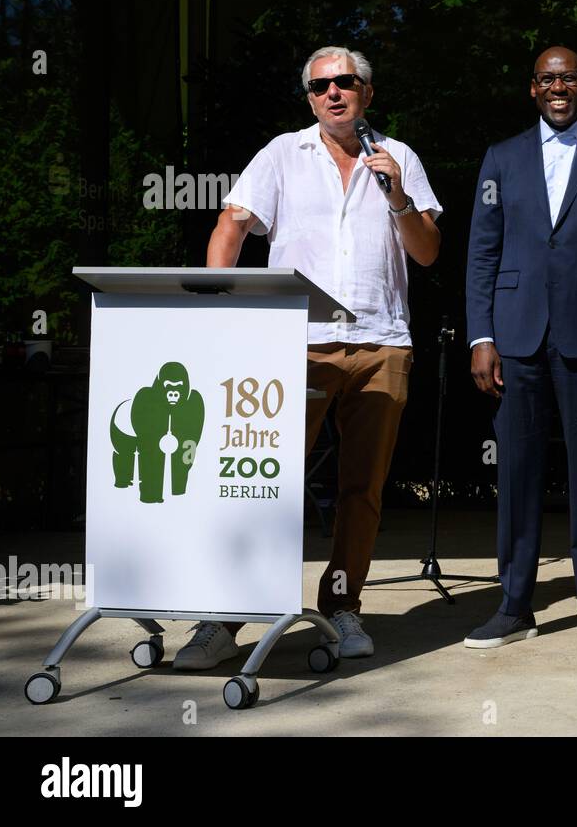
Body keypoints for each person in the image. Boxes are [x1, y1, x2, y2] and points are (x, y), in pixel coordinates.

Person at [181, 45, 442, 668]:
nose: (333, 93)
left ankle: (342, 607)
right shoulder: (282, 153)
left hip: (381, 343)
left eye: (345, 82)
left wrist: (398, 197)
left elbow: (427, 252)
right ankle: (226, 618)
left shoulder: (399, 157)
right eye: (321, 86)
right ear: (309, 98)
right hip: (293, 345)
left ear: (367, 93)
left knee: (363, 489)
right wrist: (220, 307)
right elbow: (231, 225)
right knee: (262, 483)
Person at [464, 46, 577, 651]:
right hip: (514, 337)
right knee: (516, 473)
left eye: (568, 79)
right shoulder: (501, 157)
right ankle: (514, 606)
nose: (558, 88)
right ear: (533, 88)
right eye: (547, 79)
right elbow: (482, 253)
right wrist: (481, 336)